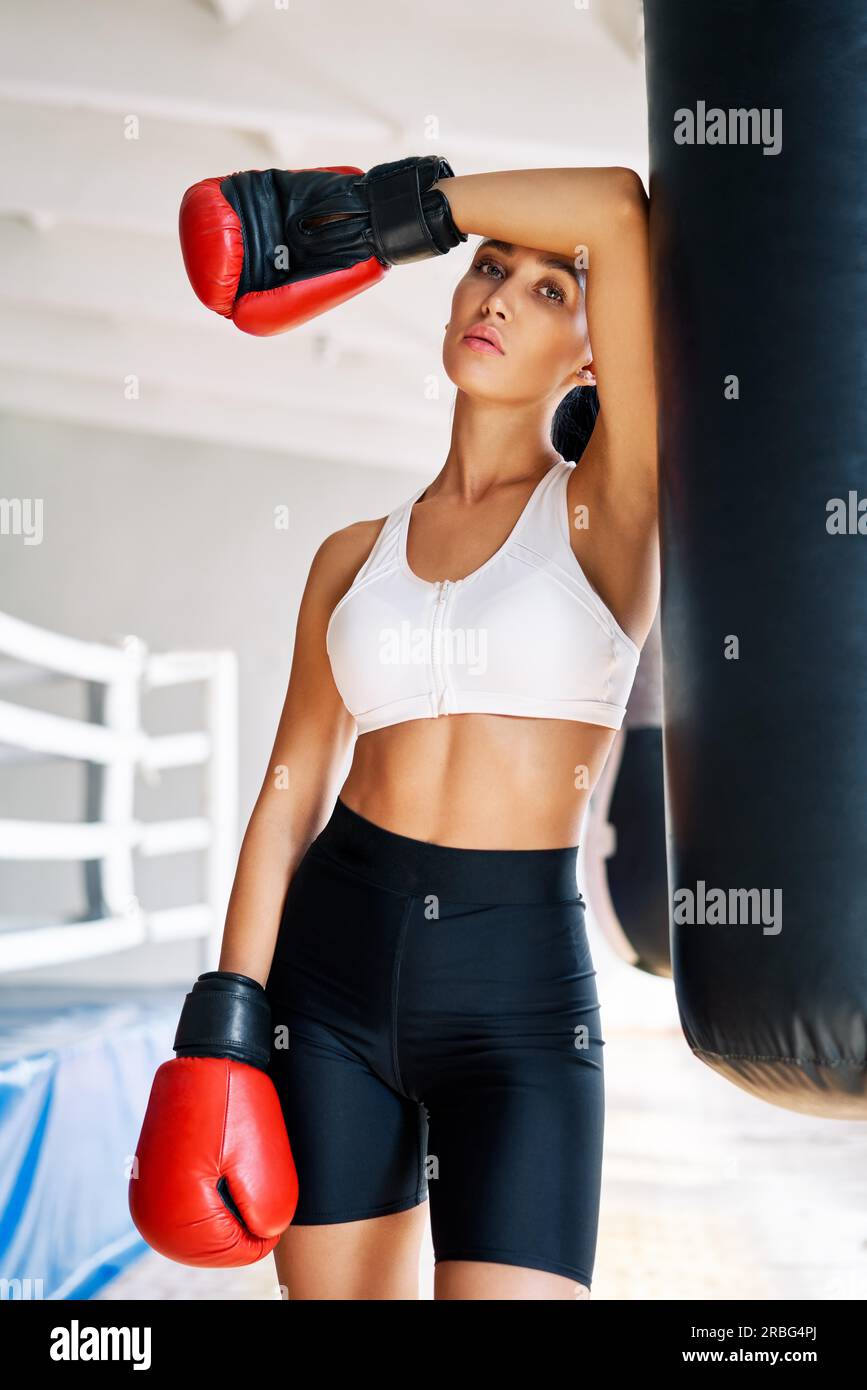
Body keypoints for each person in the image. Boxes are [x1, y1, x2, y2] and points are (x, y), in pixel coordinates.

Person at [218, 166, 659, 1300]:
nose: (499, 298)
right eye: (487, 270)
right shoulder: (348, 557)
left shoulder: (604, 515)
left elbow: (616, 205)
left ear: (594, 354)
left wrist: (412, 210)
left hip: (518, 1002)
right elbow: (284, 803)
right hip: (327, 973)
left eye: (550, 292)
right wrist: (221, 1024)